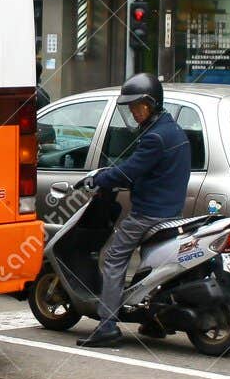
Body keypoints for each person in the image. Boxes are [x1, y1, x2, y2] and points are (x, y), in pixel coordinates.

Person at [78, 73, 192, 349]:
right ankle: (154, 321)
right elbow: (144, 170)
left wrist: (98, 179)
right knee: (151, 264)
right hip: (171, 210)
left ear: (152, 104)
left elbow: (130, 170)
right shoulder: (173, 130)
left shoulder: (155, 138)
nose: (134, 112)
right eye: (130, 108)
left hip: (148, 214)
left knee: (114, 258)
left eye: (137, 106)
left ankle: (106, 325)